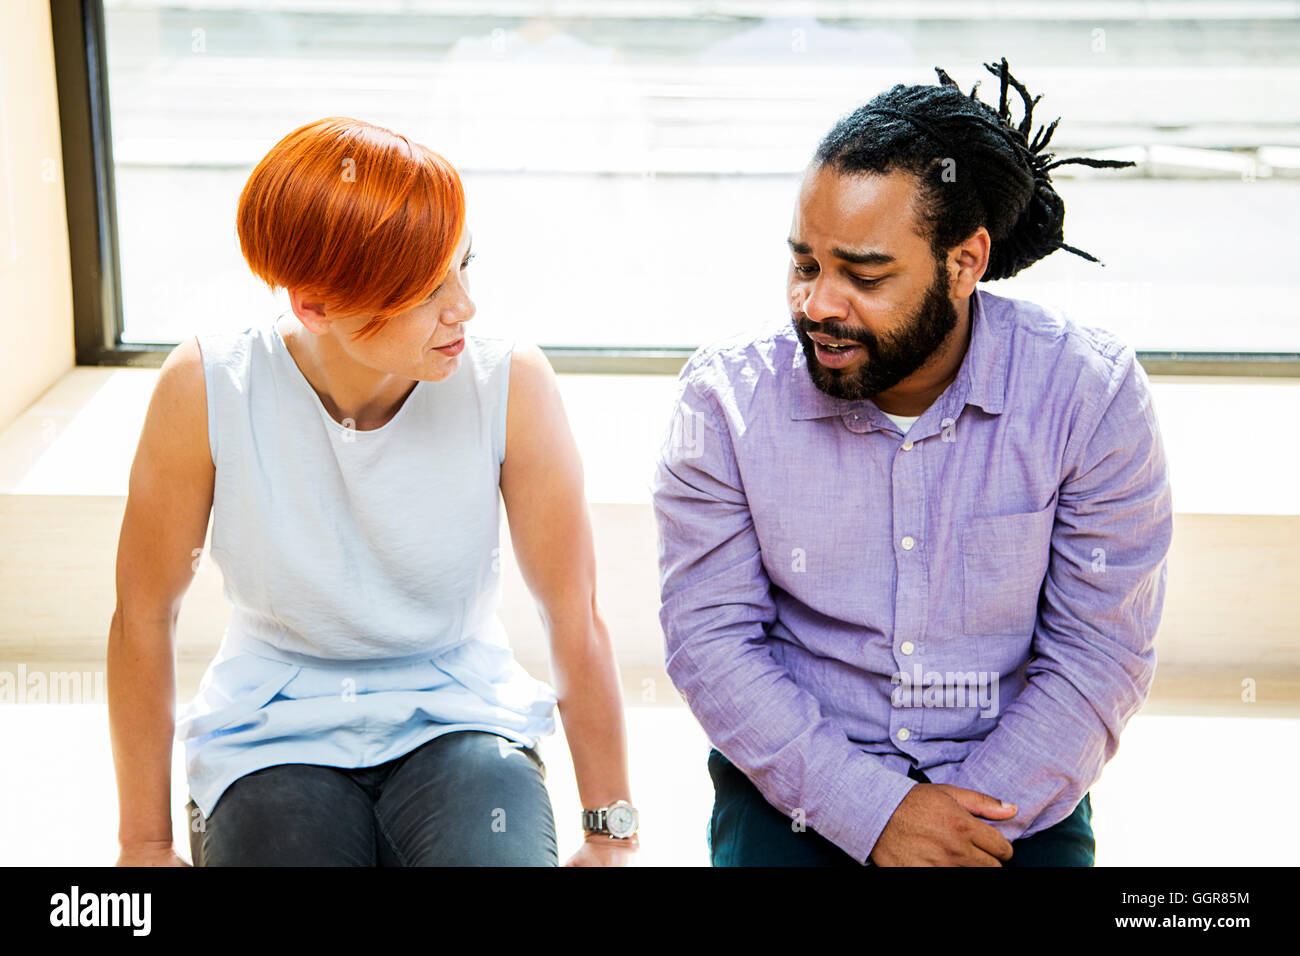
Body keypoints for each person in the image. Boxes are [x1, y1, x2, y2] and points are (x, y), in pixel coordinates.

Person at [651, 58, 1172, 866]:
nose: (819, 304)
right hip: (801, 783)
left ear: (964, 263)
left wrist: (964, 824)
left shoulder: (1089, 395)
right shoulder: (724, 401)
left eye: (863, 274)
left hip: (1011, 793)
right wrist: (875, 811)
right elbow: (710, 641)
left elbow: (1100, 652)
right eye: (805, 264)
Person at [108, 117, 639, 866]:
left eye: (465, 265)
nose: (463, 307)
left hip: (460, 718)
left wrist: (609, 834)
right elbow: (142, 615)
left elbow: (573, 614)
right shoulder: (207, 387)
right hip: (271, 732)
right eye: (426, 289)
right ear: (314, 305)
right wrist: (145, 844)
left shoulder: (510, 381)